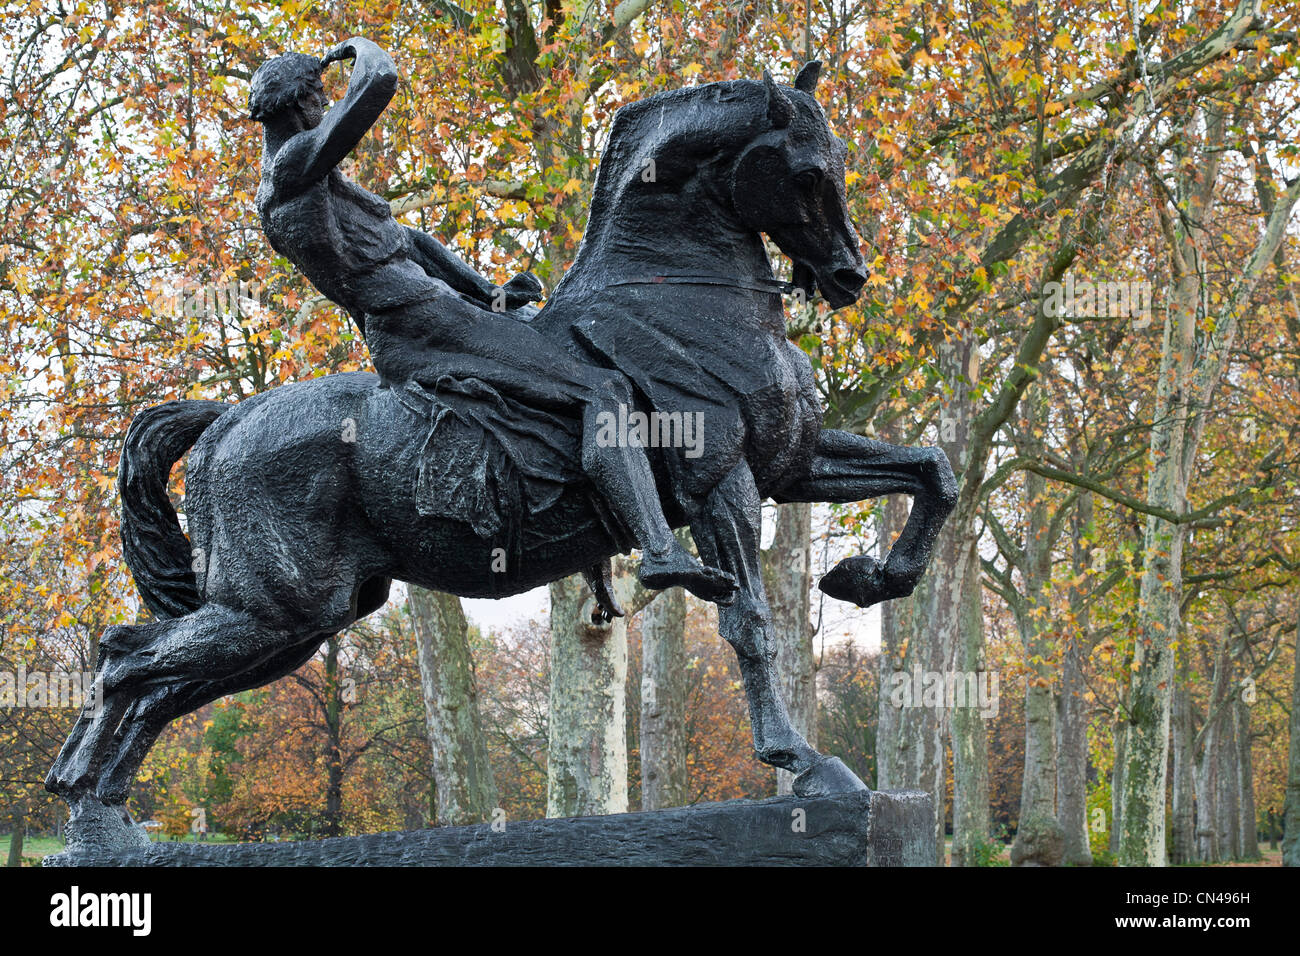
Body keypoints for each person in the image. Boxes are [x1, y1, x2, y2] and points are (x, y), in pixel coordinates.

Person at [248, 38, 735, 603]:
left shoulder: (313, 176)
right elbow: (378, 80)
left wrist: (490, 292)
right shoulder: (292, 167)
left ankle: (591, 539)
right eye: (316, 94)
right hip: (419, 327)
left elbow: (408, 242)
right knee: (601, 390)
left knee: (560, 347)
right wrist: (354, 49)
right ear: (295, 104)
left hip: (437, 312)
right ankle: (658, 549)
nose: (322, 104)